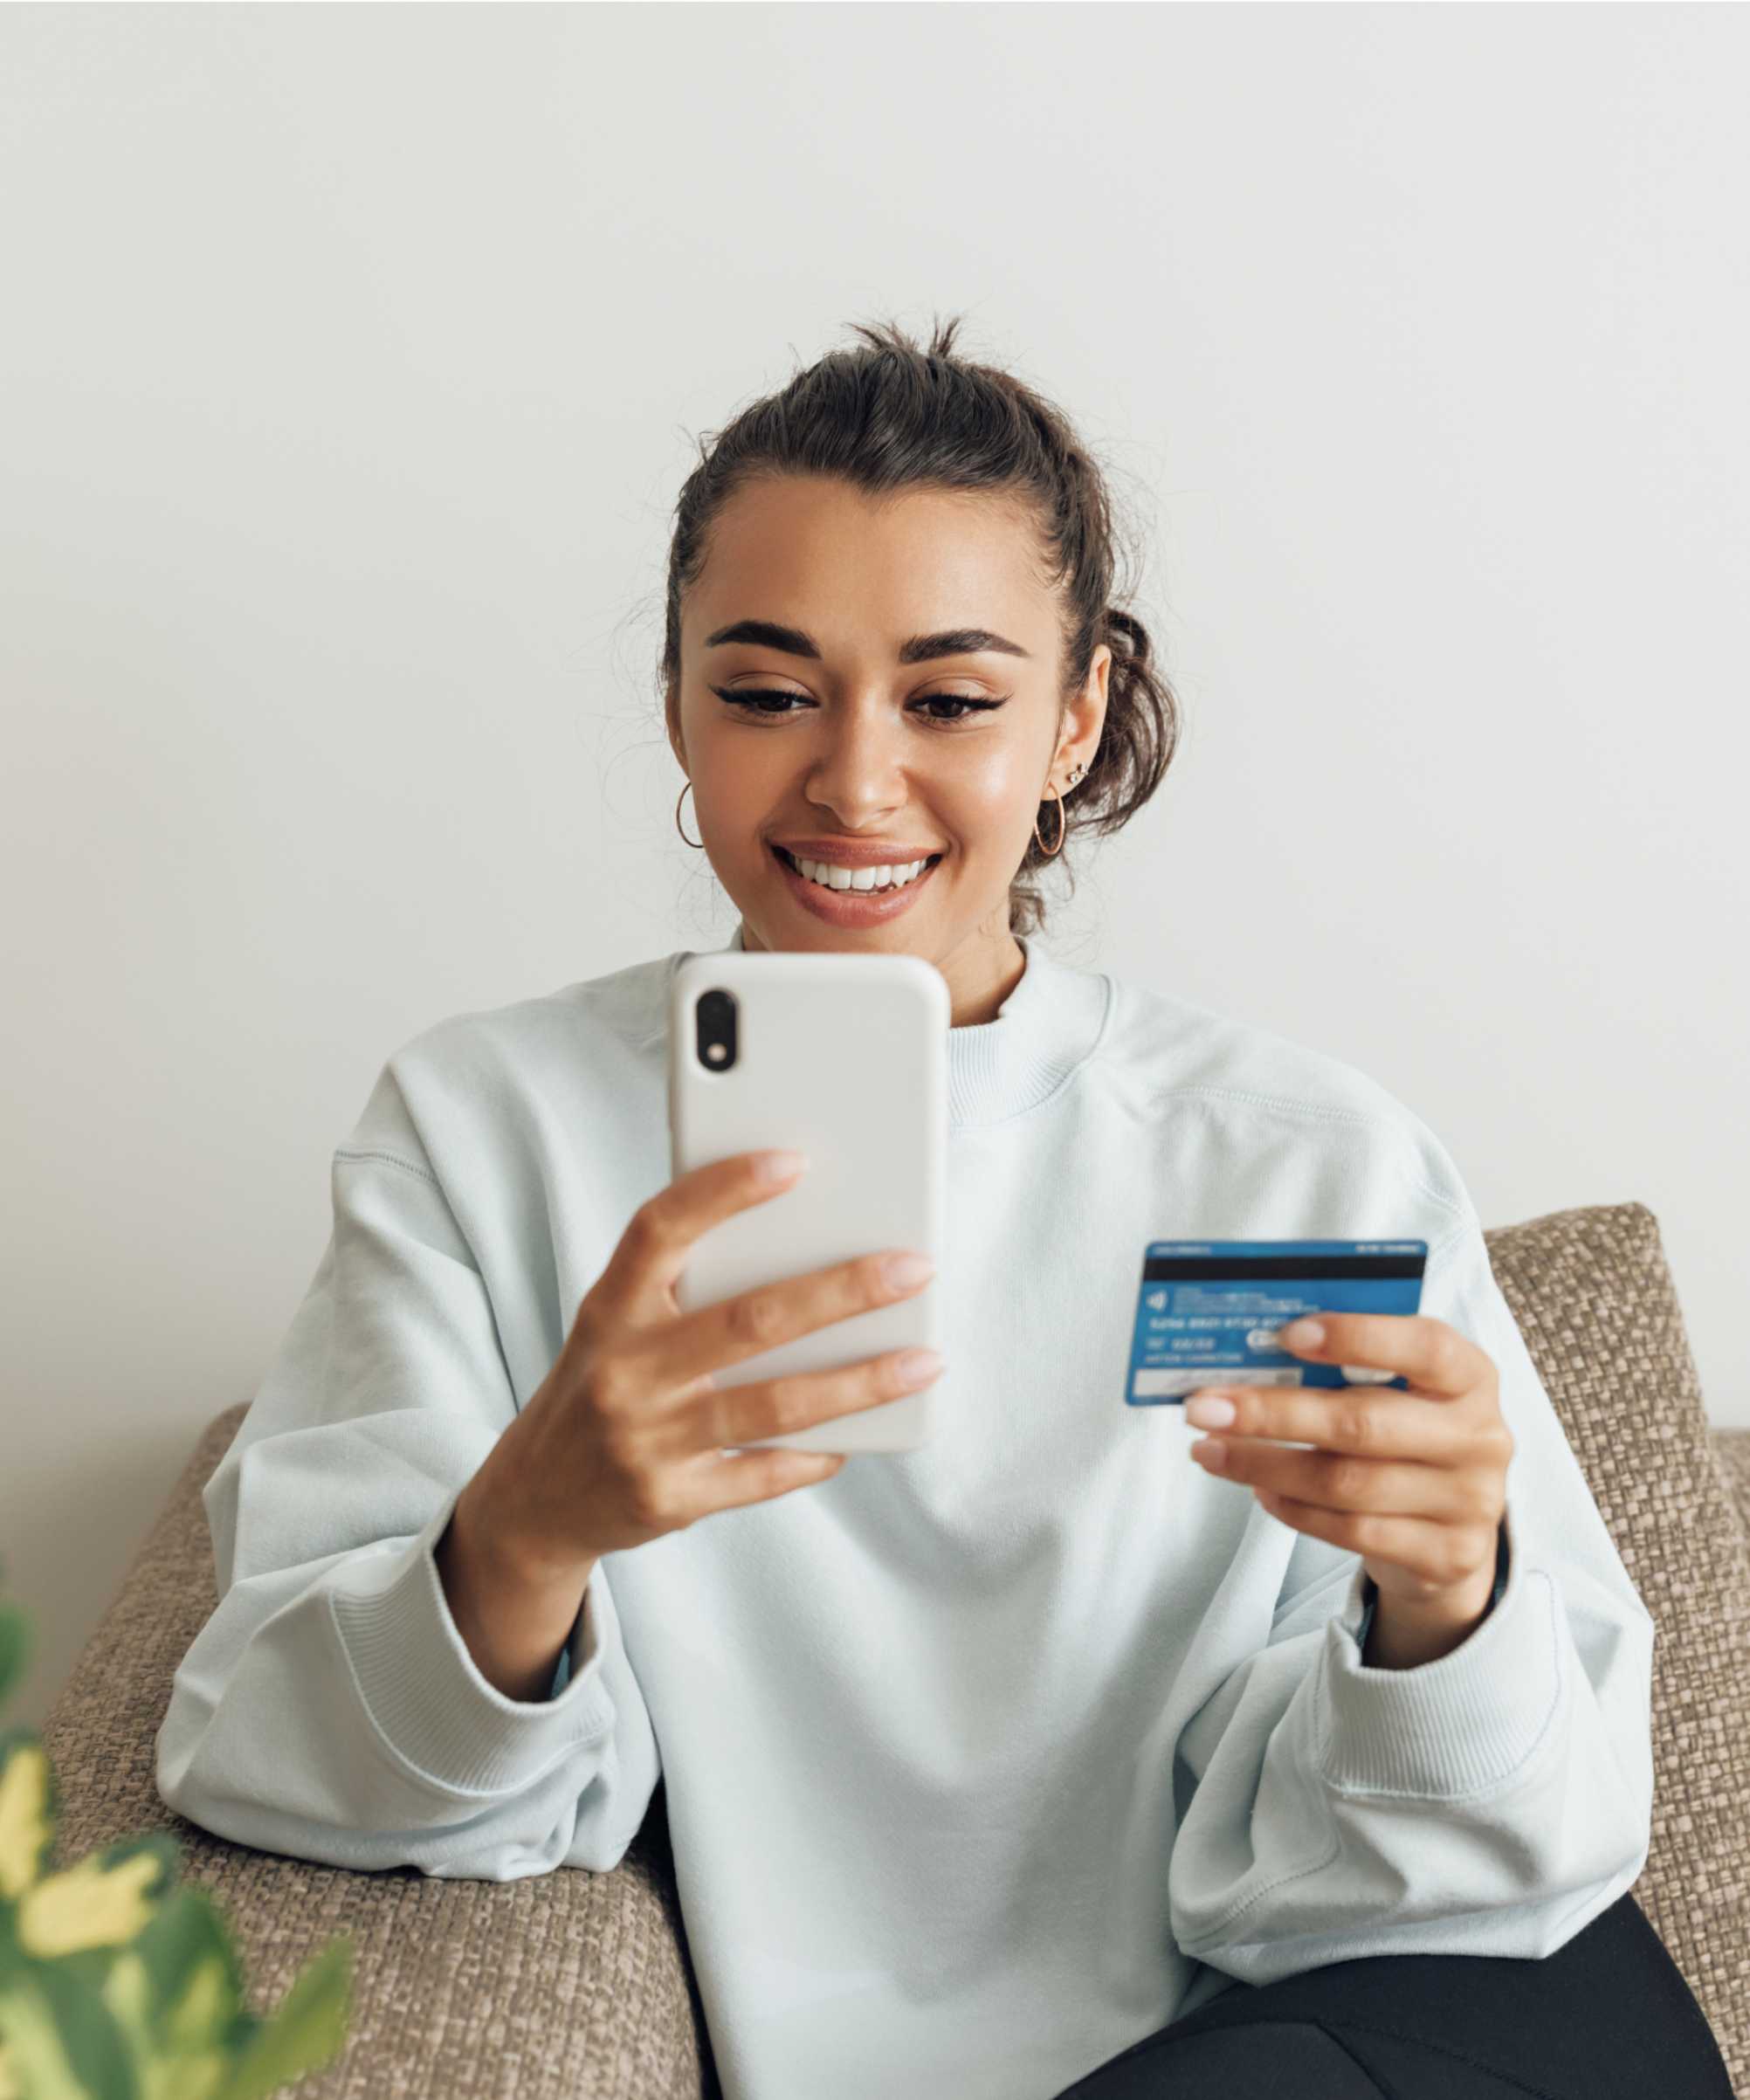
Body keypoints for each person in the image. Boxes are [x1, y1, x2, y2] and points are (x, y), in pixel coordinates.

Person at [158, 324, 1729, 2099]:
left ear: (1072, 720)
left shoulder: (1298, 1157)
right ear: (675, 706)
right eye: (766, 691)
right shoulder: (490, 1130)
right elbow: (257, 1751)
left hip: (1375, 2025)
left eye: (952, 698)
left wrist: (1448, 1597)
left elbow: (1512, 1858)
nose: (852, 779)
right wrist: (521, 1532)